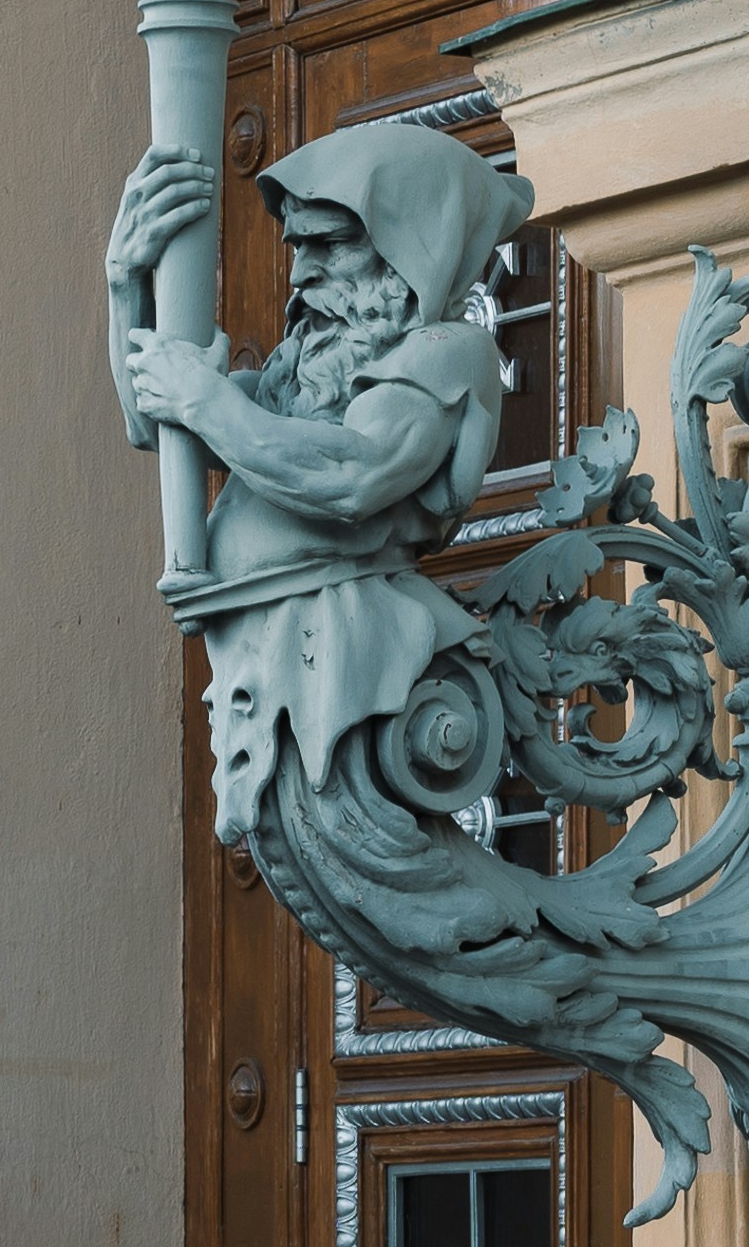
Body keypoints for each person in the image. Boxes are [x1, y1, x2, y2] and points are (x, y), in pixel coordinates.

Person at [107, 117, 525, 845]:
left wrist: (205, 400)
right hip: (262, 652)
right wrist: (124, 284)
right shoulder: (303, 362)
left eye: (328, 242)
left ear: (413, 247)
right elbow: (157, 427)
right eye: (295, 244)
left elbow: (351, 475)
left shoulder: (446, 352)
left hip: (344, 653)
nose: (299, 272)